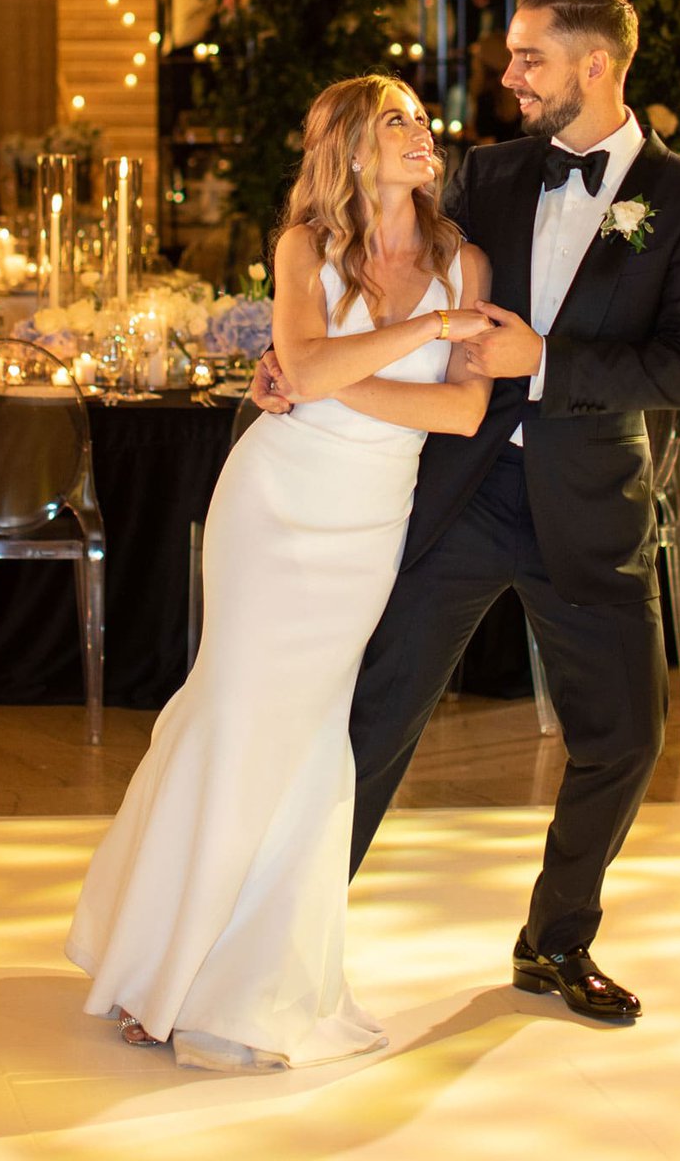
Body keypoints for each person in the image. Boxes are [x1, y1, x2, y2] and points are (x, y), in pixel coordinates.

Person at [255, 0, 680, 1024]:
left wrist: (548, 361)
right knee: (374, 716)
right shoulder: (488, 172)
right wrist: (299, 359)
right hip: (461, 493)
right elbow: (386, 268)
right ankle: (277, 938)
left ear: (595, 65)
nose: (508, 75)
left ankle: (554, 943)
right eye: (512, 57)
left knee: (626, 736)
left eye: (529, 59)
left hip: (592, 503)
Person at [66, 76, 493, 1071]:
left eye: (422, 119)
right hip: (271, 505)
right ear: (350, 146)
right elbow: (300, 372)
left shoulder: (463, 260)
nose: (422, 133)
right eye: (396, 121)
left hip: (365, 523)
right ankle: (158, 968)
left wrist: (335, 374)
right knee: (230, 712)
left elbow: (462, 413)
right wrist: (426, 335)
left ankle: (245, 979)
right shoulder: (306, 246)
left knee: (305, 736)